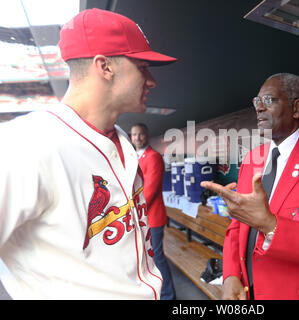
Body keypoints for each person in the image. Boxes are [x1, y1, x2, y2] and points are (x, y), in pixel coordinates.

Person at [0, 8, 177, 299]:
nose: (151, 80)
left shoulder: (121, 139)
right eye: (142, 67)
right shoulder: (25, 144)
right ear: (105, 67)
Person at [201, 73, 299, 300]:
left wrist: (270, 225)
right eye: (257, 101)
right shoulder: (251, 159)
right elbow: (237, 227)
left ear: (297, 108)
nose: (259, 108)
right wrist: (231, 275)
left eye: (269, 100)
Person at [130, 123, 176, 300]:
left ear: (147, 135)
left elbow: (150, 190)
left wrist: (131, 209)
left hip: (152, 217)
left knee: (157, 258)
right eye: (134, 135)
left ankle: (169, 296)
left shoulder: (154, 157)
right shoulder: (134, 156)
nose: (137, 138)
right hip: (140, 216)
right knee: (145, 258)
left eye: (141, 134)